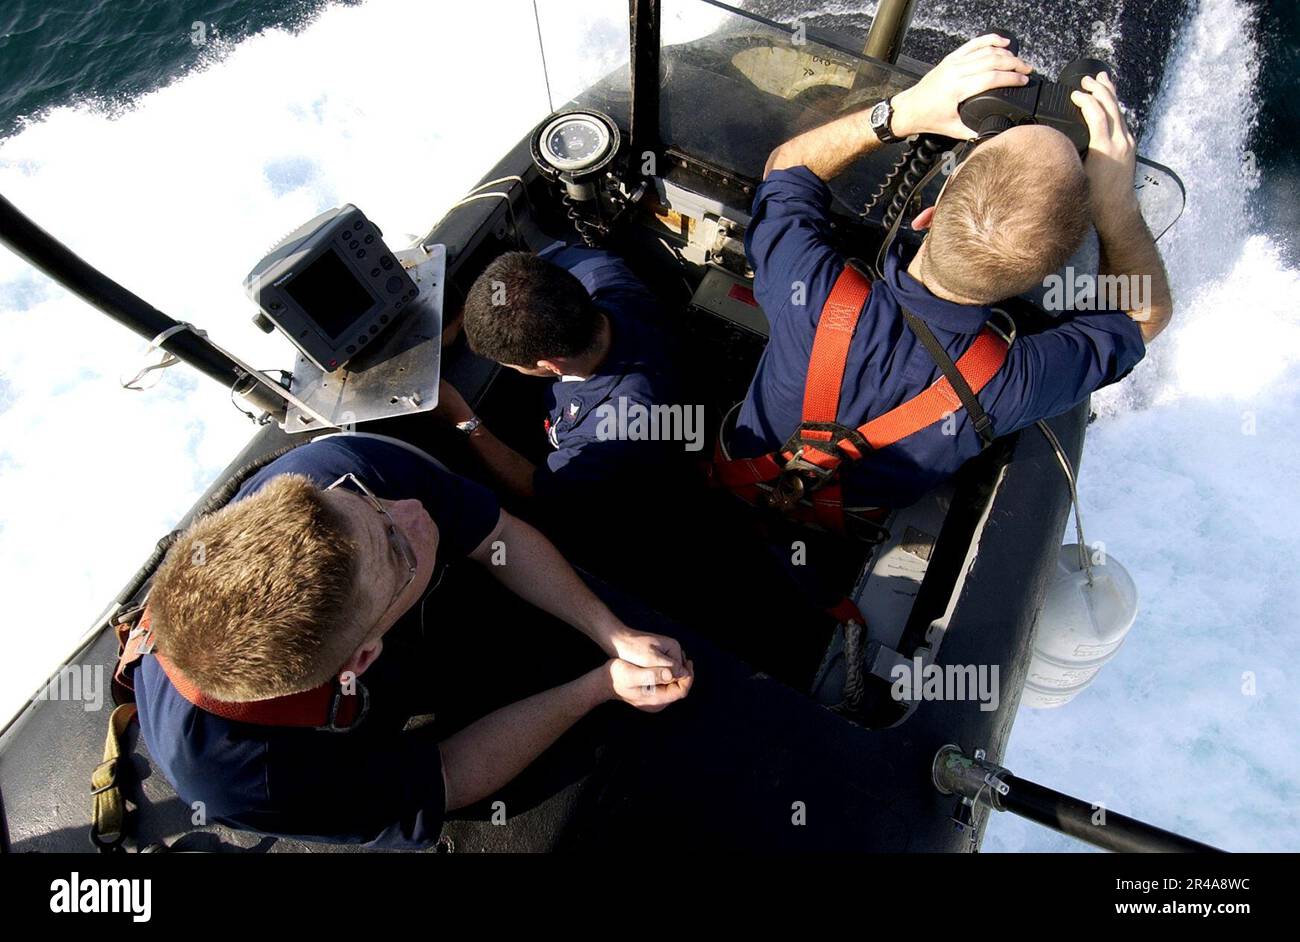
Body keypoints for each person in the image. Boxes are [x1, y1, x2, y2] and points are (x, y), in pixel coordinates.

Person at [130, 433, 693, 848]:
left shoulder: (340, 472)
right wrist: (596, 689)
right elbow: (445, 774)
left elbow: (495, 534)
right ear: (364, 657)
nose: (412, 511)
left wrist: (613, 634)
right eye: (398, 548)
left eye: (366, 503)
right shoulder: (248, 778)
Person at [725, 34, 1172, 513]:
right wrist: (1114, 205)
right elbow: (1144, 314)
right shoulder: (1007, 383)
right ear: (1038, 277)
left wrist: (907, 109)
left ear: (928, 214)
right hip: (831, 550)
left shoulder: (813, 293)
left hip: (727, 500)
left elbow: (787, 168)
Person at [435, 241, 687, 508]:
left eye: (510, 363)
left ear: (552, 365)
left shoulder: (614, 432)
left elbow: (540, 487)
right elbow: (526, 273)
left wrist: (462, 417)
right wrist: (459, 320)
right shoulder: (594, 266)